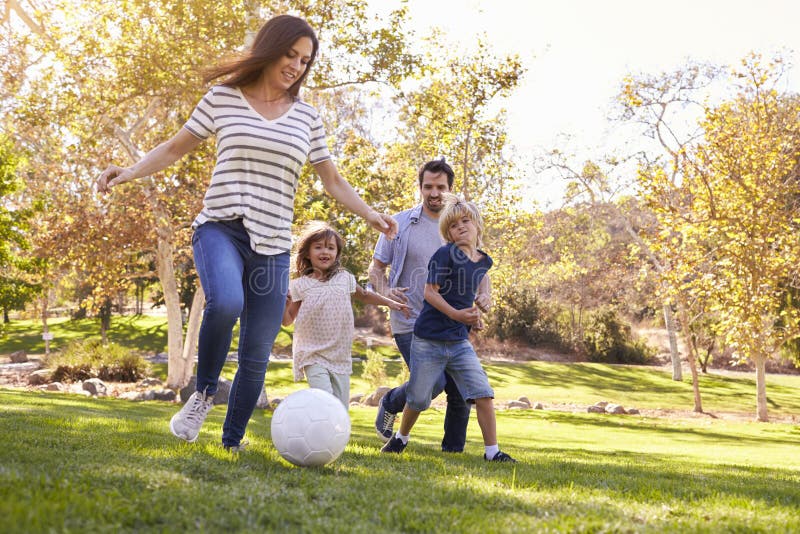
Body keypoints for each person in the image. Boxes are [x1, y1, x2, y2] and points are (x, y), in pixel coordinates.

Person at [96, 15, 397, 451]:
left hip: (273, 245)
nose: (296, 66)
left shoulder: (308, 118)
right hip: (221, 227)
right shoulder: (223, 98)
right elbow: (174, 147)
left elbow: (332, 180)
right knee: (227, 301)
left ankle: (231, 441)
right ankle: (201, 395)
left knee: (257, 349)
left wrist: (370, 214)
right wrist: (129, 172)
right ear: (269, 49)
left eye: (305, 60)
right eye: (290, 55)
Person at [380, 193, 516, 462]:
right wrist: (457, 314)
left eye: (466, 221)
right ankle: (400, 438)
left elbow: (482, 276)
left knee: (483, 393)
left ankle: (492, 452)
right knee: (419, 399)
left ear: (476, 224)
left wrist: (485, 297)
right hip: (429, 339)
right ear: (448, 233)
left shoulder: (483, 259)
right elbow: (430, 293)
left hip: (459, 343)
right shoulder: (445, 254)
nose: (461, 227)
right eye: (454, 225)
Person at [368, 158, 490, 452]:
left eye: (440, 187)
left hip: (453, 321)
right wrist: (386, 291)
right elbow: (375, 269)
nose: (434, 193)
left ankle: (453, 451)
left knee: (461, 389)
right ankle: (391, 401)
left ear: (450, 189)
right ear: (420, 187)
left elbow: (477, 269)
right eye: (428, 186)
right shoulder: (400, 225)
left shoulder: (462, 225)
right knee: (433, 384)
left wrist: (478, 305)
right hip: (410, 320)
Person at [282, 221, 410, 407]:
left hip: (339, 355)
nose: (325, 252)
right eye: (318, 247)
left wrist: (390, 302)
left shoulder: (344, 279)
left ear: (337, 254)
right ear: (308, 254)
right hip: (312, 353)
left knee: (340, 408)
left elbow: (365, 295)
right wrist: (282, 305)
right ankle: (316, 433)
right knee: (325, 400)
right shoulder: (300, 285)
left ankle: (335, 436)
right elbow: (287, 321)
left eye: (330, 248)